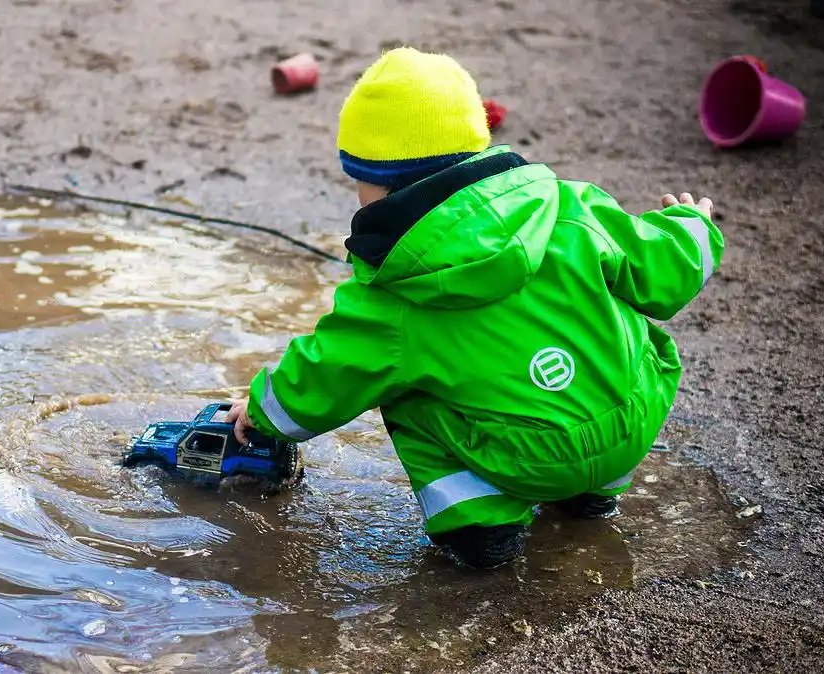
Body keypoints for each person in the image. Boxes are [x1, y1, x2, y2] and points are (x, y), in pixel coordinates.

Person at [226, 47, 724, 569]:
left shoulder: (391, 293)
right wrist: (693, 227)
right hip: (630, 423)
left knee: (398, 388)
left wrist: (261, 414)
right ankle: (591, 497)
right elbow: (663, 270)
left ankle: (480, 527)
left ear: (373, 183)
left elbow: (326, 374)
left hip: (525, 459)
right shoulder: (572, 207)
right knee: (616, 330)